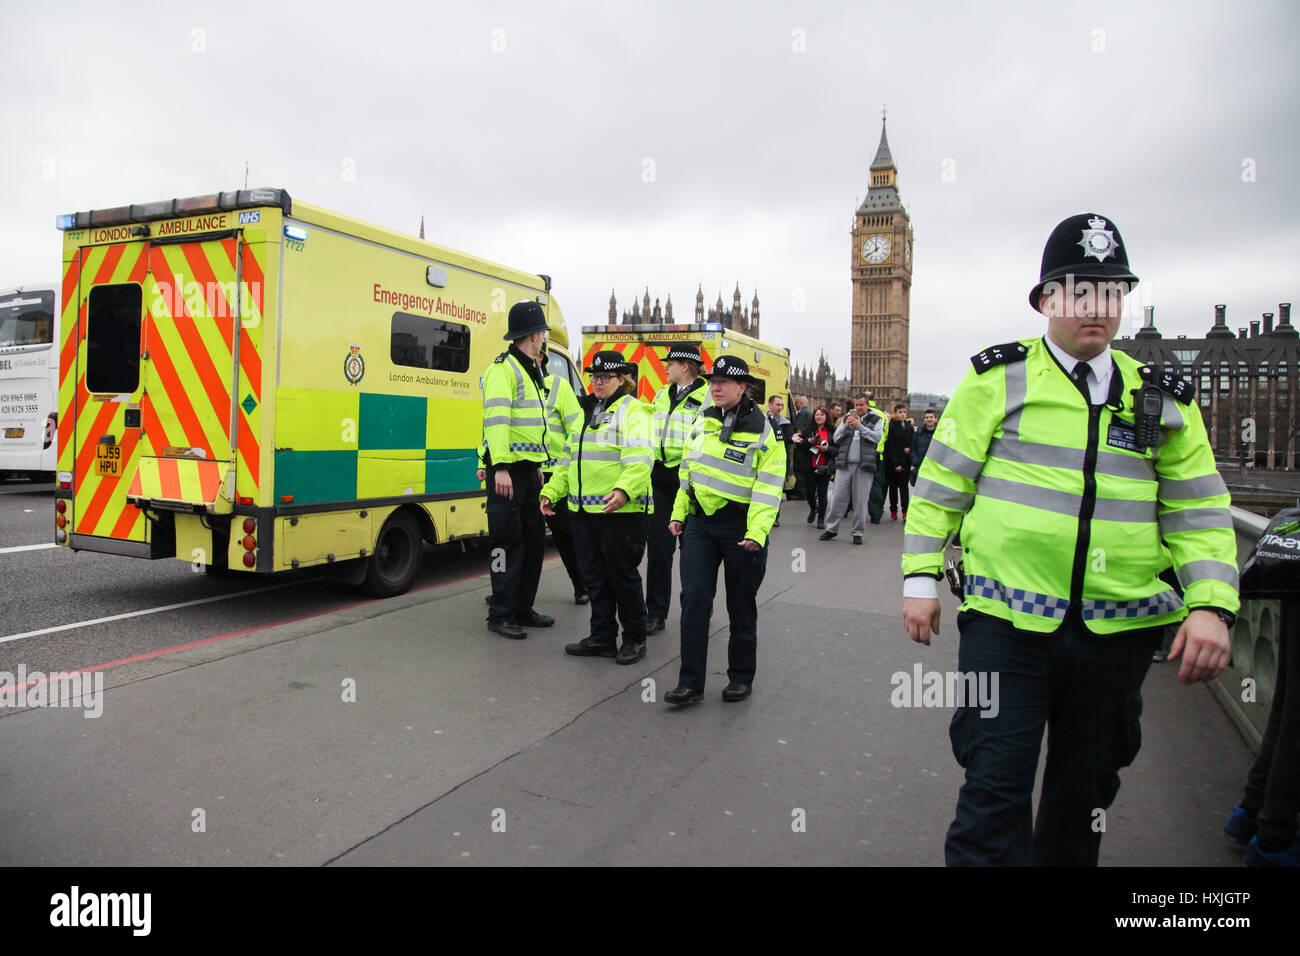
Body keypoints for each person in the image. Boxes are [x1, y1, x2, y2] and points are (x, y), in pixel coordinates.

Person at [901, 212, 1239, 866]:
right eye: (1080, 291)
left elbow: (1197, 508)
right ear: (1046, 301)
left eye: (1111, 292)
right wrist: (919, 581)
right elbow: (941, 486)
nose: (1097, 306)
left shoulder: (1161, 397)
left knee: (1081, 803)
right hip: (1006, 623)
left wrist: (1212, 604)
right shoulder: (997, 378)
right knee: (993, 792)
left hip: (1118, 635)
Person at [664, 355, 786, 704]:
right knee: (695, 601)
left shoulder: (765, 430)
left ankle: (740, 677)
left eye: (724, 383)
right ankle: (690, 684)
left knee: (741, 604)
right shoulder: (703, 420)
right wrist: (678, 513)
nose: (715, 387)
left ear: (742, 387)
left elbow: (768, 487)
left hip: (741, 527)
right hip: (701, 523)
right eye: (712, 381)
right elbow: (687, 471)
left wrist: (757, 533)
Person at [541, 351, 653, 665]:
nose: (597, 382)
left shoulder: (633, 411)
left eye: (605, 377)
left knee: (622, 576)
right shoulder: (584, 412)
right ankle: (602, 637)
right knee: (594, 577)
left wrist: (624, 490)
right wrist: (552, 491)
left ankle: (634, 638)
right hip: (582, 512)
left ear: (622, 379)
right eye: (594, 376)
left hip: (620, 512)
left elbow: (641, 458)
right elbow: (567, 460)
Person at [481, 301, 556, 640]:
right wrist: (500, 468)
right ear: (533, 334)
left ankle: (522, 608)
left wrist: (537, 465)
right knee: (505, 543)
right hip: (506, 473)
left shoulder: (530, 368)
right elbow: (497, 421)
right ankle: (500, 613)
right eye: (542, 332)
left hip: (527, 472)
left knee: (532, 540)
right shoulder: (504, 369)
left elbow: (530, 425)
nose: (544, 338)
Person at [646, 343, 710, 635]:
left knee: (693, 553)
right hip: (661, 476)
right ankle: (655, 614)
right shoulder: (662, 393)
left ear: (685, 365)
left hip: (691, 480)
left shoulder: (707, 397)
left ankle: (696, 612)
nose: (665, 367)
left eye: (669, 363)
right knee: (659, 550)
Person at [538, 344, 589, 605]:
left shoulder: (558, 386)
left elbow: (577, 427)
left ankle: (582, 586)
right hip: (525, 471)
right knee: (523, 540)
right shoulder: (517, 385)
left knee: (566, 536)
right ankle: (512, 593)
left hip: (554, 474)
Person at [818, 395, 884, 545]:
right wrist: (846, 426)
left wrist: (860, 427)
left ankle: (857, 533)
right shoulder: (847, 418)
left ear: (868, 406)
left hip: (863, 465)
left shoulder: (875, 420)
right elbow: (836, 437)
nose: (859, 407)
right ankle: (831, 529)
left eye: (862, 405)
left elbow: (877, 438)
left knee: (860, 501)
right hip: (845, 464)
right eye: (857, 405)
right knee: (837, 499)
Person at [801, 406, 834, 528]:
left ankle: (821, 518)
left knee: (822, 493)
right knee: (809, 493)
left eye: (822, 415)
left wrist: (827, 449)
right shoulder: (808, 430)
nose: (819, 417)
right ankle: (813, 509)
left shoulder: (832, 431)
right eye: (817, 415)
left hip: (825, 466)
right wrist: (809, 441)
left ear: (826, 417)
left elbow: (837, 449)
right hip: (810, 465)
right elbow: (800, 446)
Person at [766, 394, 794, 527]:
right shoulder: (762, 419)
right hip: (764, 458)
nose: (780, 408)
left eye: (782, 405)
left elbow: (789, 437)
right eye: (778, 405)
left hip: (780, 460)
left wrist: (792, 438)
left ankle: (775, 516)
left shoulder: (785, 422)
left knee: (776, 490)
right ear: (770, 404)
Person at [864, 389, 891, 525]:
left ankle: (872, 512)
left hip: (865, 453)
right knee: (876, 484)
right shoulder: (883, 415)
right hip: (879, 454)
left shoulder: (864, 414)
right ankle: (876, 512)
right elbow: (885, 435)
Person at [883, 402, 914, 520]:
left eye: (904, 412)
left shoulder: (909, 427)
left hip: (905, 462)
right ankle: (894, 510)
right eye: (900, 412)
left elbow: (912, 442)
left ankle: (905, 511)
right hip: (892, 463)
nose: (902, 414)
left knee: (904, 488)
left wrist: (909, 449)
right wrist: (896, 463)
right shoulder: (891, 426)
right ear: (895, 413)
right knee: (893, 487)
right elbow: (890, 446)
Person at [791, 395, 812, 504]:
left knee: (799, 469)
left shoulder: (803, 413)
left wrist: (795, 441)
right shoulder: (809, 412)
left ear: (801, 402)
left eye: (796, 403)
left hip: (801, 444)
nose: (795, 405)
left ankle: (800, 493)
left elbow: (798, 429)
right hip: (807, 443)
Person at [910, 408, 938, 487]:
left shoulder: (939, 435)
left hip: (934, 468)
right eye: (927, 417)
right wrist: (915, 461)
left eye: (931, 417)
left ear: (936, 419)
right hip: (920, 467)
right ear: (924, 420)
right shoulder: (918, 433)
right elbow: (912, 449)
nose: (929, 419)